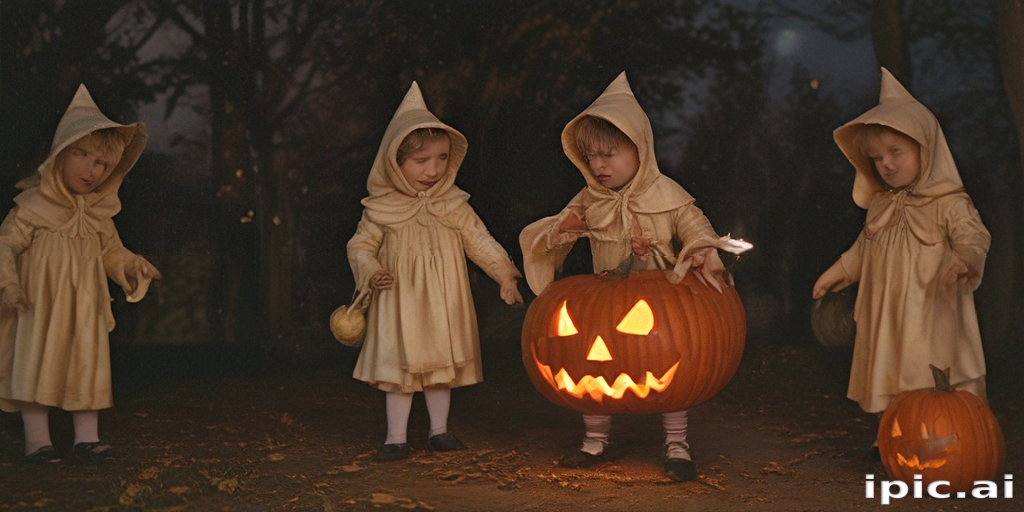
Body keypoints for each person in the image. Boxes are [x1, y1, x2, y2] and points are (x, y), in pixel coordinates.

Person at [520, 72, 740, 482]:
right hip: (601, 297)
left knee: (675, 365)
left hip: (662, 302)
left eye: (610, 154)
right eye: (590, 158)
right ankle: (595, 441)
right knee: (590, 362)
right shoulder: (589, 199)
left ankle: (677, 443)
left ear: (640, 150)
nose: (599, 166)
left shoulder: (668, 194)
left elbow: (694, 226)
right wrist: (563, 229)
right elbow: (557, 235)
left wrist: (702, 251)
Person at [347, 82, 524, 462]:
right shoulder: (381, 208)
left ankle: (439, 430)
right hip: (401, 299)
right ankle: (395, 437)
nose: (433, 170)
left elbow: (479, 239)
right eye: (421, 161)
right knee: (400, 365)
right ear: (394, 162)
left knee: (441, 362)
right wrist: (373, 270)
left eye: (442, 159)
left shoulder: (453, 204)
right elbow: (360, 246)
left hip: (444, 298)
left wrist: (504, 274)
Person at [812, 68, 990, 446]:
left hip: (931, 310)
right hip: (888, 312)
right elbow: (865, 248)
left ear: (924, 149)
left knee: (932, 371)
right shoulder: (880, 205)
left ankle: (949, 441)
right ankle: (893, 438)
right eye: (876, 158)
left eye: (896, 152)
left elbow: (974, 236)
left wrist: (966, 258)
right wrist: (836, 273)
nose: (886, 164)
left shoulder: (949, 203)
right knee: (892, 367)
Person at [0, 84, 161, 463]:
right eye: (82, 155)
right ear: (59, 154)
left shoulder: (97, 213)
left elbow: (110, 252)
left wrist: (133, 264)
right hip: (38, 306)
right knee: (34, 364)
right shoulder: (32, 207)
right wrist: (9, 285)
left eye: (102, 164)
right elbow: (4, 244)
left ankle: (86, 437)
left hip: (84, 308)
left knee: (85, 364)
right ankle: (37, 441)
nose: (91, 170)